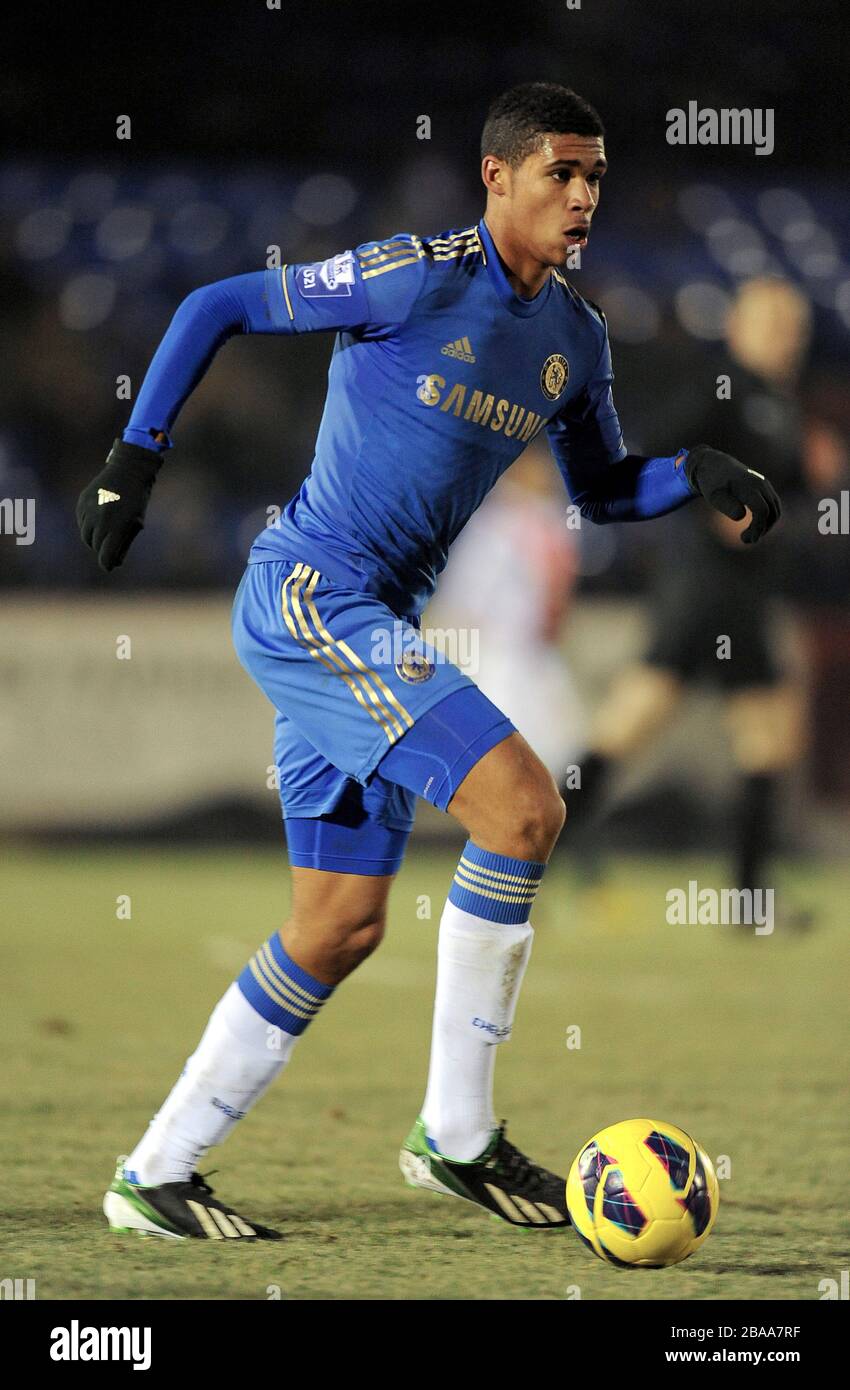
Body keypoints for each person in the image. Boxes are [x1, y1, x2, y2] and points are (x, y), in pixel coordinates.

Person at [77, 82, 780, 1241]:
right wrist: (133, 456)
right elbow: (216, 302)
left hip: (373, 619)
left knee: (342, 921)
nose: (584, 196)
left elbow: (600, 488)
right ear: (496, 176)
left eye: (596, 177)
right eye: (562, 173)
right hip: (312, 595)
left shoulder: (573, 335)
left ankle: (152, 1174)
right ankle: (456, 1137)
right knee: (518, 807)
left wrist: (691, 472)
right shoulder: (414, 272)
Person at [572, 279, 811, 909]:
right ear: (737, 326)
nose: (783, 336)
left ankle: (750, 897)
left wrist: (812, 470)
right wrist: (713, 508)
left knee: (757, 733)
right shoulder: (723, 385)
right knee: (638, 719)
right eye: (770, 322)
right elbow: (669, 452)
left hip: (745, 588)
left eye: (791, 325)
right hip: (706, 583)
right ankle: (532, 842)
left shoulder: (778, 399)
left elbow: (782, 487)